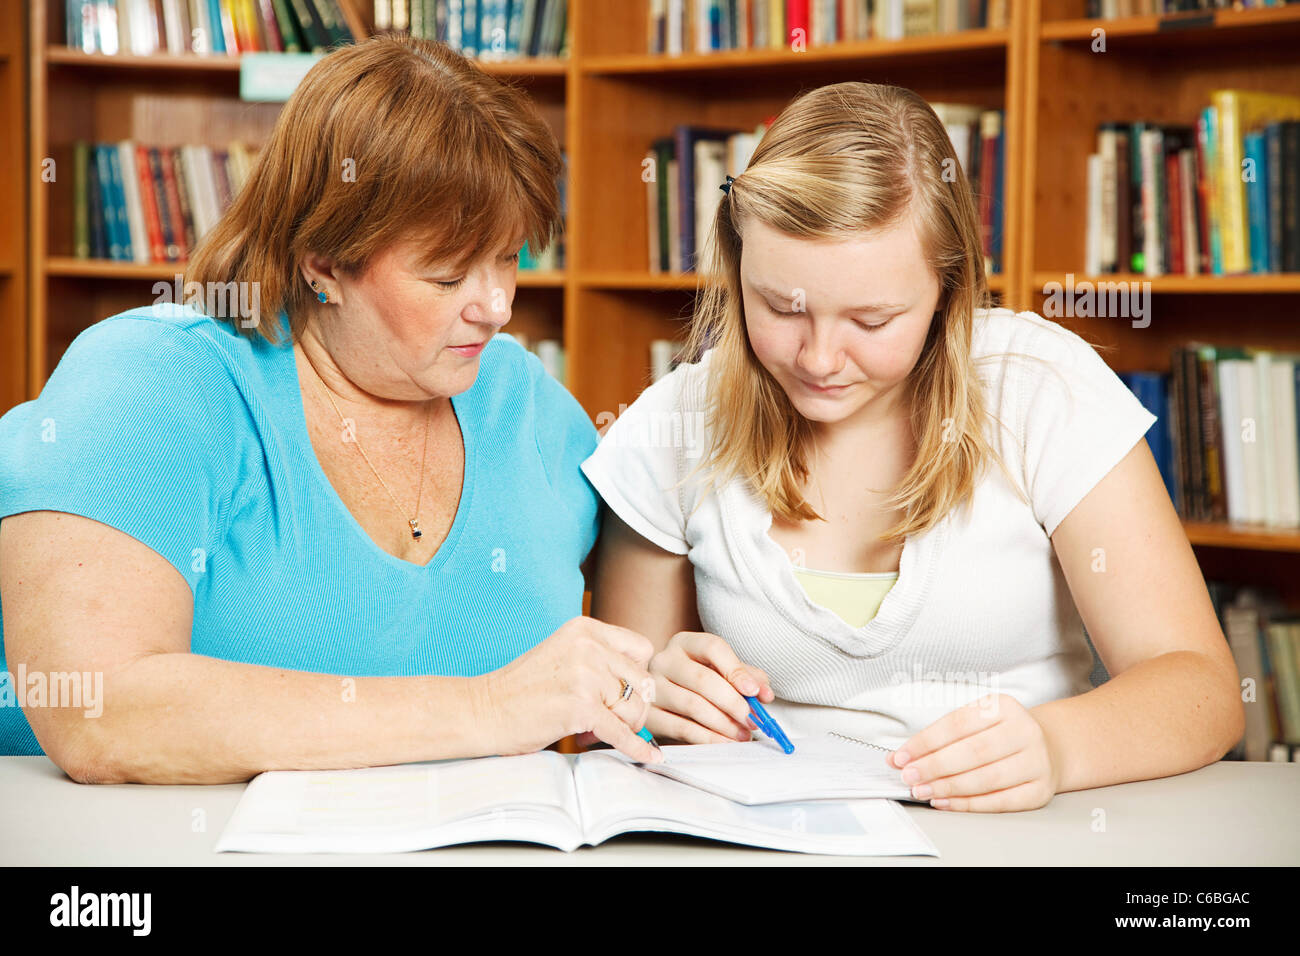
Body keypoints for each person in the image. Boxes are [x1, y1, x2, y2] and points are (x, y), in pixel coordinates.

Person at [0, 35, 660, 783]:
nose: (498, 307)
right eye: (446, 277)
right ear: (323, 264)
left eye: (509, 257)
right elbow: (98, 713)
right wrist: (487, 709)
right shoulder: (153, 382)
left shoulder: (525, 401)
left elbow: (631, 635)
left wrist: (668, 677)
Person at [584, 82, 1244, 812]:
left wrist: (1057, 747)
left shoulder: (1040, 390)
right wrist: (654, 697)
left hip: (1014, 838)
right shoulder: (675, 424)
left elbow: (1202, 688)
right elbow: (620, 712)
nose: (820, 359)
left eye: (872, 320)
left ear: (947, 288)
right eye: (780, 307)